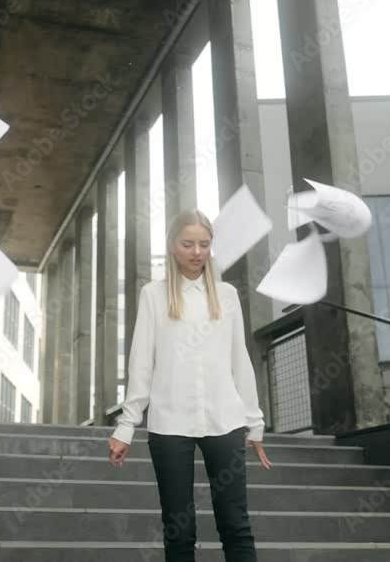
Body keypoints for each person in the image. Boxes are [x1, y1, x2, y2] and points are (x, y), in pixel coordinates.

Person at [107, 209, 272, 562]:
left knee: (235, 525)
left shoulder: (226, 296)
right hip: (169, 423)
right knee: (178, 531)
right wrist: (126, 425)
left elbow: (239, 361)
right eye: (188, 244)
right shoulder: (153, 295)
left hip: (225, 421)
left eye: (204, 244)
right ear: (171, 247)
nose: (197, 252)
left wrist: (254, 422)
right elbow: (141, 363)